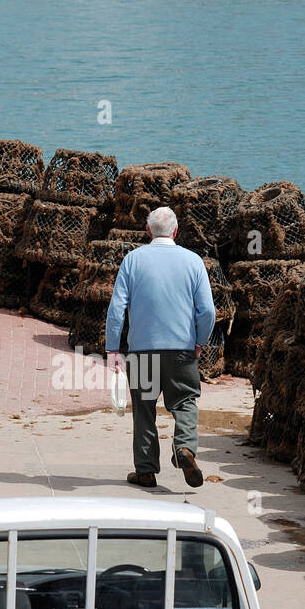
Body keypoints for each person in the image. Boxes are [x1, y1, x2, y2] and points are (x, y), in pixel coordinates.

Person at [105, 205, 216, 490]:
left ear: (148, 231)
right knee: (185, 402)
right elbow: (207, 311)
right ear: (176, 231)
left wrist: (113, 349)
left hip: (142, 349)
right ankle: (185, 448)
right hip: (182, 349)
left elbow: (117, 308)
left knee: (144, 408)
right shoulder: (193, 261)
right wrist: (200, 342)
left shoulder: (132, 260)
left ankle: (145, 470)